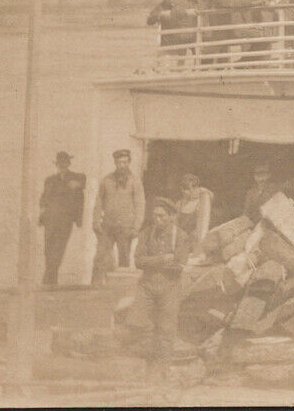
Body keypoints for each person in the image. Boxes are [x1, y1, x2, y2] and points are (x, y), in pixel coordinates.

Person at [130, 197, 190, 371]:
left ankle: (162, 369)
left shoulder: (180, 236)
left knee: (166, 328)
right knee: (137, 322)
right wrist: (162, 259)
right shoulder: (146, 233)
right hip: (147, 285)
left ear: (171, 217)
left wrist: (151, 261)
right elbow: (138, 261)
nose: (158, 219)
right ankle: (146, 362)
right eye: (155, 216)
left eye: (162, 216)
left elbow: (178, 265)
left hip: (169, 286)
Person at [92, 149, 145, 286]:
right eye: (119, 162)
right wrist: (96, 220)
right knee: (101, 257)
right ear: (115, 163)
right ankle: (96, 287)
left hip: (126, 227)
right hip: (107, 226)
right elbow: (99, 202)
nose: (122, 165)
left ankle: (121, 288)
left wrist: (136, 227)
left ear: (129, 162)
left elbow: (140, 204)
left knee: (124, 259)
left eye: (125, 162)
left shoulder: (135, 181)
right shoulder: (106, 180)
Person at [38, 151, 85, 286]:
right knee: (48, 250)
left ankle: (49, 279)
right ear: (57, 164)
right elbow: (44, 199)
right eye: (60, 163)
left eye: (65, 163)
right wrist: (42, 216)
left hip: (65, 220)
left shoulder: (76, 177)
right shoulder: (50, 180)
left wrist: (78, 219)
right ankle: (51, 279)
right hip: (50, 220)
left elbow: (82, 188)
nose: (62, 165)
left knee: (59, 249)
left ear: (68, 164)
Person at [147, 0, 197, 68]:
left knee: (181, 66)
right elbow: (149, 21)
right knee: (164, 67)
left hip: (182, 41)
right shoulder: (160, 7)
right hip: (167, 42)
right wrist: (161, 14)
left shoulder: (183, 4)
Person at [175, 173, 213, 252]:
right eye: (182, 188)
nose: (184, 191)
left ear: (195, 188)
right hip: (181, 240)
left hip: (194, 240)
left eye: (187, 189)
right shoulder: (179, 203)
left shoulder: (200, 203)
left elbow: (202, 225)